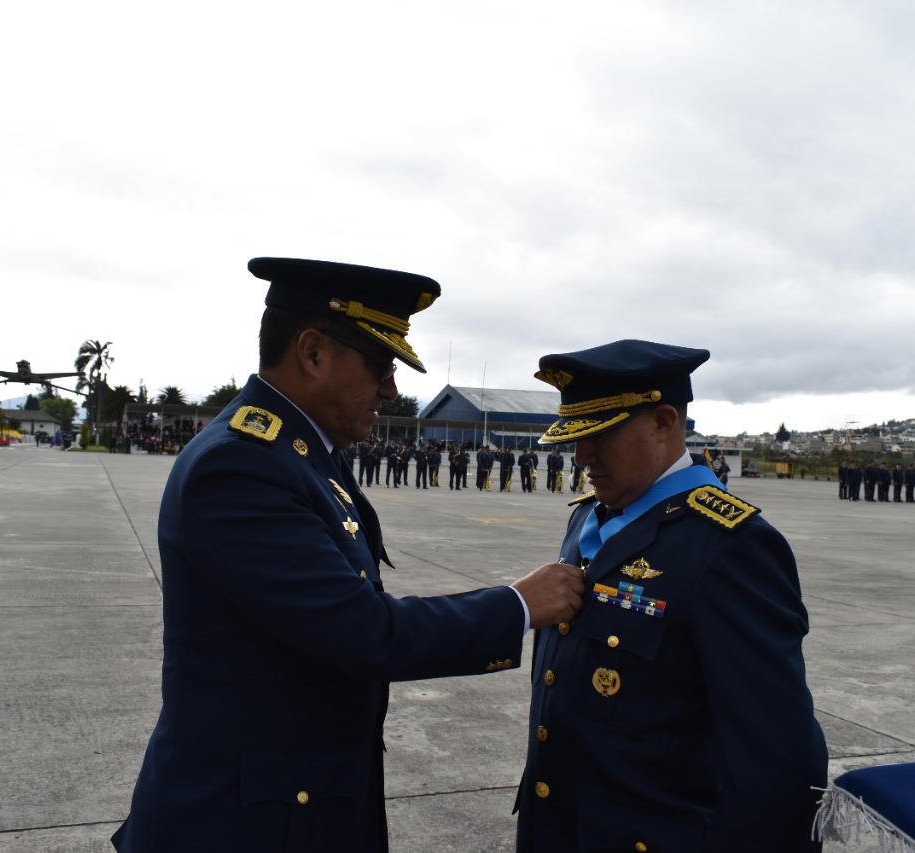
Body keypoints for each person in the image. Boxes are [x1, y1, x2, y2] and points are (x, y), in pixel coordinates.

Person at [112, 258, 585, 852]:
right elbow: (359, 630)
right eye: (381, 364)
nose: (390, 389)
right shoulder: (241, 465)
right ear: (313, 352)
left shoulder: (302, 451)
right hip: (243, 821)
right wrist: (516, 606)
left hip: (302, 800)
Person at [516, 339, 827, 853]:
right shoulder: (589, 517)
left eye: (601, 434)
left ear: (664, 422)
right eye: (577, 436)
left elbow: (780, 762)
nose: (582, 455)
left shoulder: (730, 547)